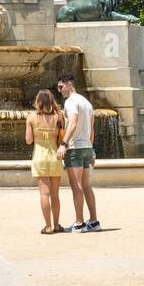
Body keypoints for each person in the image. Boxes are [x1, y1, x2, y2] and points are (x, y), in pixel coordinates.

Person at [56, 73, 100, 232]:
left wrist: (63, 144)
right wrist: (92, 149)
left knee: (77, 187)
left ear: (69, 84)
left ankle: (79, 223)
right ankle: (94, 222)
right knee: (87, 186)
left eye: (61, 87)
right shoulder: (87, 102)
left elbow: (72, 123)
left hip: (75, 148)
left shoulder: (71, 102)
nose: (59, 91)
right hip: (87, 147)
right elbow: (92, 128)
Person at [26, 89, 65, 234]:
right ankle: (56, 225)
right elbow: (62, 137)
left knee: (44, 194)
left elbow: (28, 140)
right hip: (55, 157)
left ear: (38, 101)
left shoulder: (31, 117)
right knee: (55, 195)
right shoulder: (59, 116)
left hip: (39, 158)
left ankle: (47, 227)